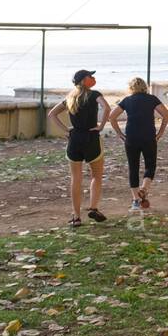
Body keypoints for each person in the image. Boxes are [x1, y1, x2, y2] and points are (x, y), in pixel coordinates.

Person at [48, 69, 110, 227]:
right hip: (91, 138)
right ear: (84, 80)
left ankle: (76, 217)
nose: (93, 78)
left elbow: (52, 114)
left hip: (75, 139)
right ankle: (94, 208)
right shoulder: (95, 94)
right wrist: (101, 126)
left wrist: (66, 130)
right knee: (96, 176)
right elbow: (107, 108)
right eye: (91, 76)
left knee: (76, 178)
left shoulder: (70, 97)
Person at [108, 77, 168, 211]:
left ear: (131, 88)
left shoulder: (127, 100)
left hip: (131, 138)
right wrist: (160, 133)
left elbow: (112, 117)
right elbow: (166, 114)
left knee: (133, 167)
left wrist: (119, 133)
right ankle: (144, 189)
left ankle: (136, 201)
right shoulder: (152, 99)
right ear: (144, 87)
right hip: (149, 137)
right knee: (150, 165)